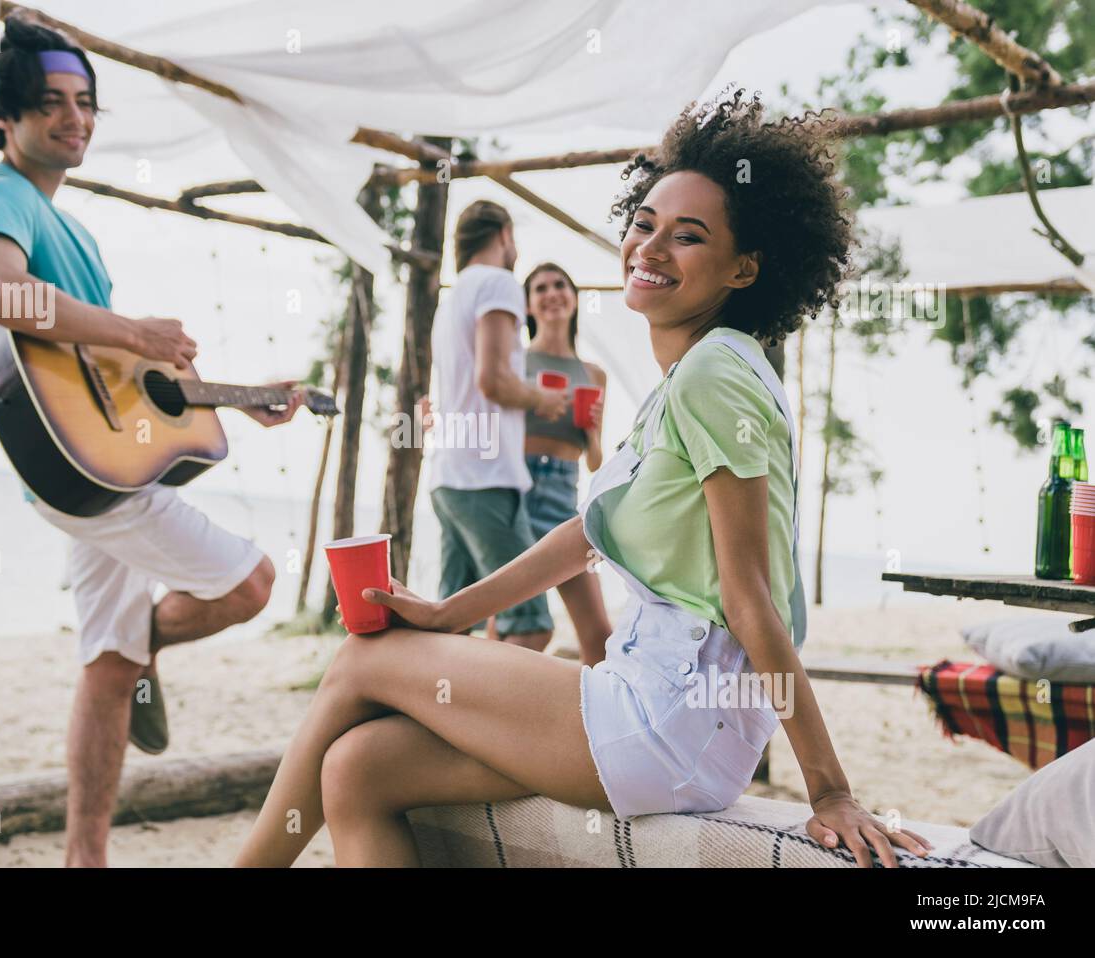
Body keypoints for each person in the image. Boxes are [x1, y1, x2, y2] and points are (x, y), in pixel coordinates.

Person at [234, 91, 934, 868]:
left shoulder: (714, 374)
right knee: (359, 770)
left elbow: (751, 595)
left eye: (688, 236)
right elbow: (585, 536)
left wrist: (830, 789)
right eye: (644, 224)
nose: (652, 247)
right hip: (661, 707)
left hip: (672, 719)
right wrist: (446, 613)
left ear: (745, 268)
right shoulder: (687, 381)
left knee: (362, 661)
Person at [0, 17, 302, 867]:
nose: (73, 118)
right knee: (250, 584)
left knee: (109, 667)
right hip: (83, 479)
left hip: (98, 463)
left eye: (84, 103)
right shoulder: (8, 196)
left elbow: (111, 382)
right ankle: (147, 647)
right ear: (6, 120)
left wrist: (239, 398)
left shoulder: (75, 231)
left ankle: (86, 858)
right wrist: (135, 329)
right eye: (50, 104)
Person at [424, 200, 568, 652]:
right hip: (486, 477)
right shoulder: (499, 283)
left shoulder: (451, 298)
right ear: (504, 234)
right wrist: (543, 398)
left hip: (449, 480)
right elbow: (494, 381)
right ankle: (488, 721)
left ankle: (434, 717)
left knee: (448, 624)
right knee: (528, 624)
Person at [495, 263, 612, 663]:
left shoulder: (593, 374)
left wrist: (593, 433)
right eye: (540, 288)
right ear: (527, 306)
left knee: (599, 636)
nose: (552, 293)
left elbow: (595, 462)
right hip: (517, 493)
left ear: (574, 298)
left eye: (560, 284)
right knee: (513, 628)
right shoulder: (514, 362)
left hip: (565, 500)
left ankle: (585, 722)